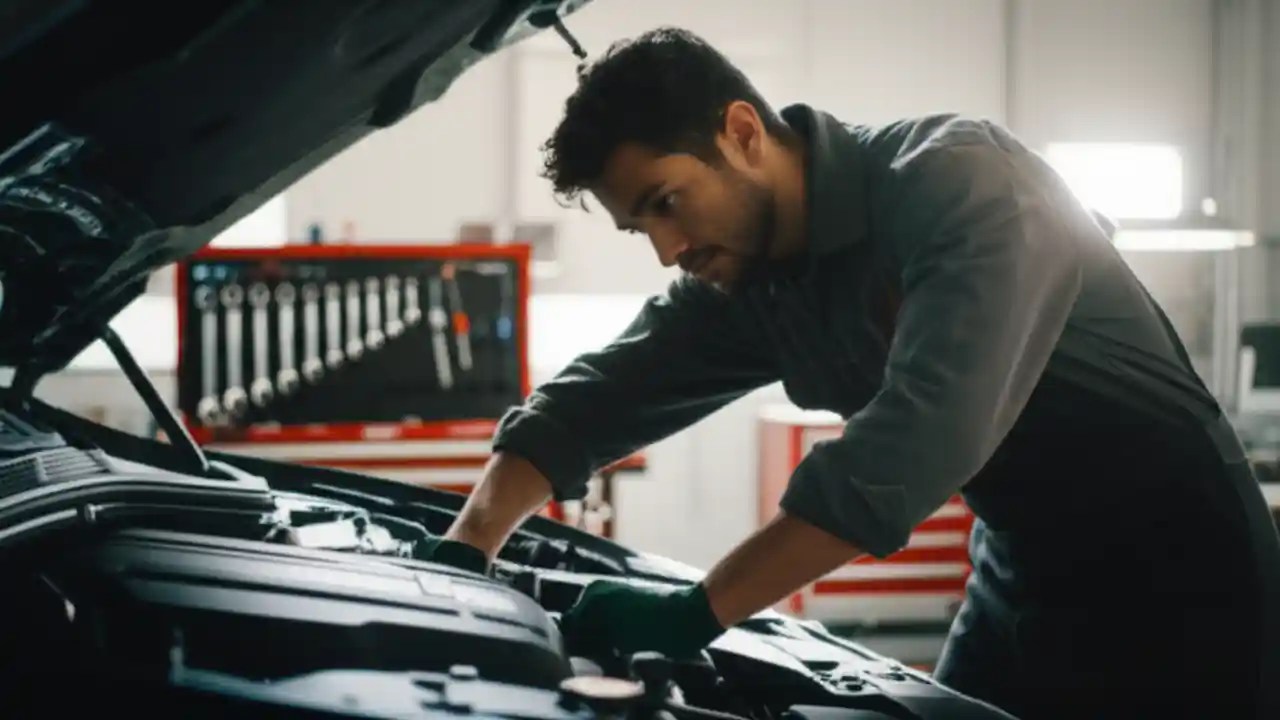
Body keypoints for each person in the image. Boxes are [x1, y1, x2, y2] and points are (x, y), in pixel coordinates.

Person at [432, 27, 1280, 720]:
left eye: (665, 202)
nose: (667, 250)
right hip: (1022, 582)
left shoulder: (966, 186)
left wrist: (694, 613)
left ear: (742, 133)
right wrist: (469, 546)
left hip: (1187, 590)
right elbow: (599, 396)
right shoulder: (751, 275)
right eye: (638, 229)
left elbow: (908, 448)